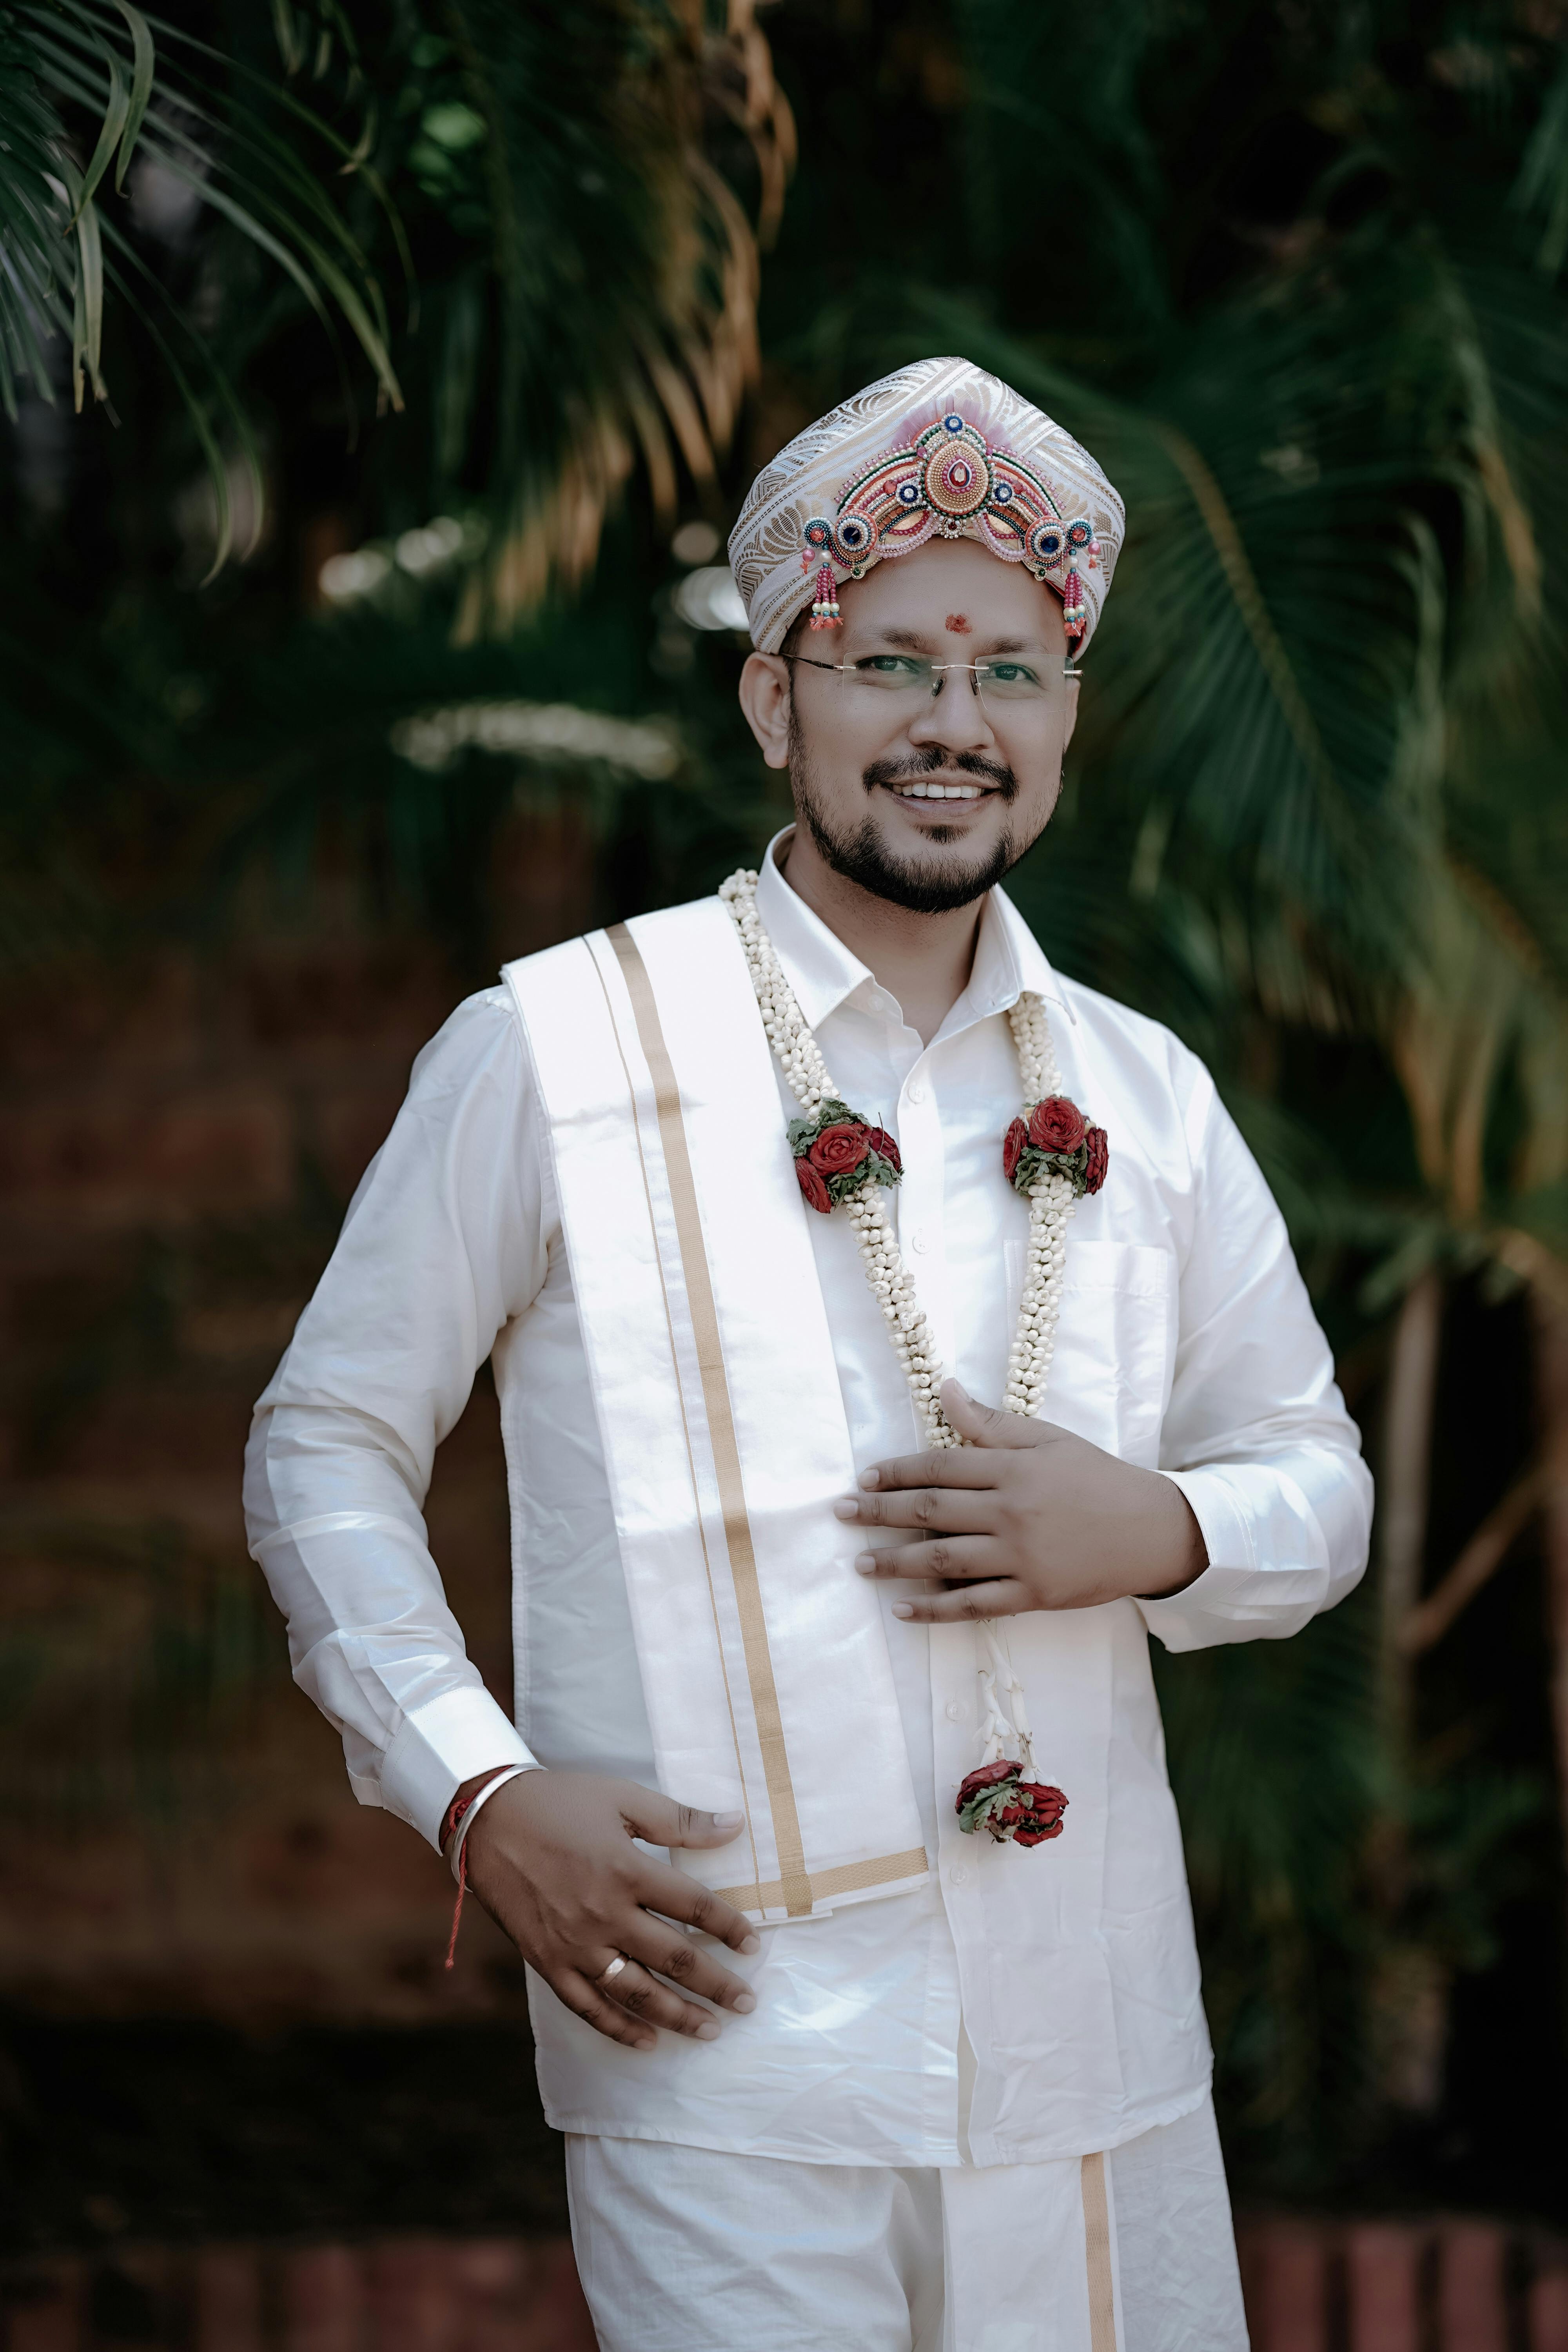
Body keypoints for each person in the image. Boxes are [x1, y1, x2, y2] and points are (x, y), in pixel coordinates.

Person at [245, 356, 1372, 2352]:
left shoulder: (1149, 1092)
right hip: (722, 2054)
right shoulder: (557, 1048)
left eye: (1013, 671)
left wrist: (1165, 1529)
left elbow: (1315, 1482)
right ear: (776, 694)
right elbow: (325, 1441)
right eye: (892, 664)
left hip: (1089, 2067)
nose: (954, 725)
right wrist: (477, 1795)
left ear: (1068, 717)